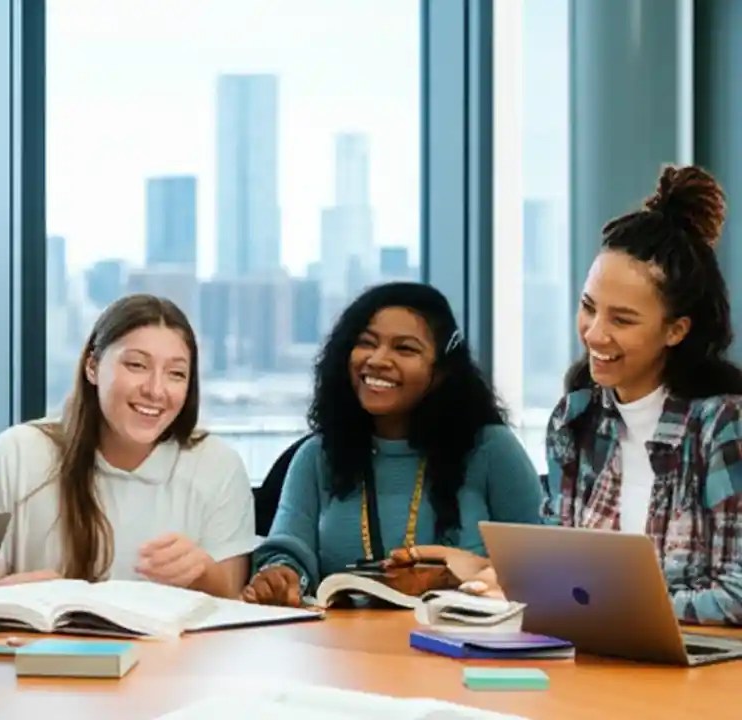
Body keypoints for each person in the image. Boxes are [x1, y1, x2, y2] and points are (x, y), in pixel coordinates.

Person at [453, 166, 742, 625]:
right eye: (588, 307)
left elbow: (735, 596)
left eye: (622, 320)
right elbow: (558, 570)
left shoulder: (721, 426)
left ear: (676, 330)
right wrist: (506, 582)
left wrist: (611, 604)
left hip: (705, 675)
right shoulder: (576, 419)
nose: (595, 334)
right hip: (596, 657)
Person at [242, 282, 544, 607]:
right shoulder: (317, 456)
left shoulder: (491, 449)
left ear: (441, 371)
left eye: (405, 349)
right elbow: (287, 550)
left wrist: (460, 576)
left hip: (466, 646)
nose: (378, 360)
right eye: (366, 343)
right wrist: (282, 576)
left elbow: (542, 565)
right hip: (343, 649)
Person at [0, 294, 256, 598]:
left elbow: (234, 602)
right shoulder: (15, 455)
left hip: (171, 648)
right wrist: (4, 595)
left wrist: (202, 572)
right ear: (92, 367)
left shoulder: (217, 466)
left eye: (176, 374)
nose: (155, 390)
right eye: (137, 365)